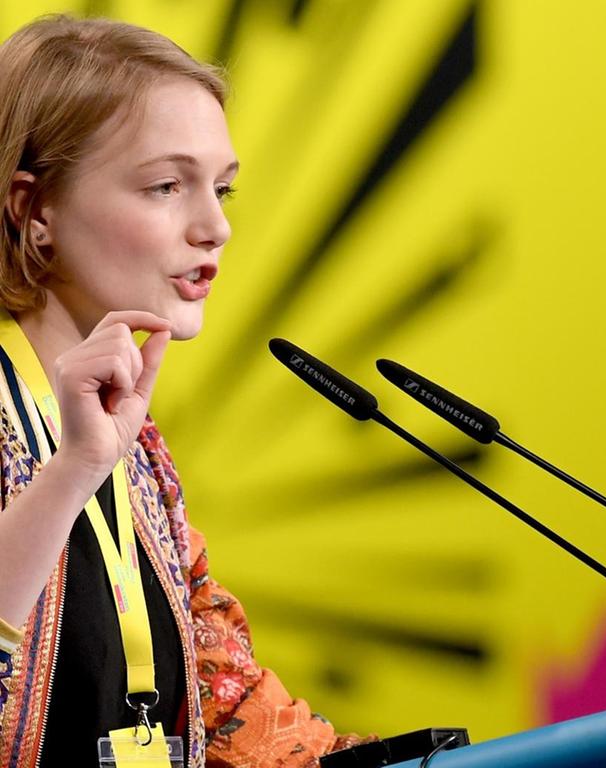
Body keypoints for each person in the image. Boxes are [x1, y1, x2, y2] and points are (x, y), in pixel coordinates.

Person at [0, 14, 368, 767]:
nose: (214, 227)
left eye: (223, 189)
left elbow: (224, 697)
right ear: (34, 211)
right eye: (167, 185)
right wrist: (70, 472)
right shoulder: (78, 441)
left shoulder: (138, 452)